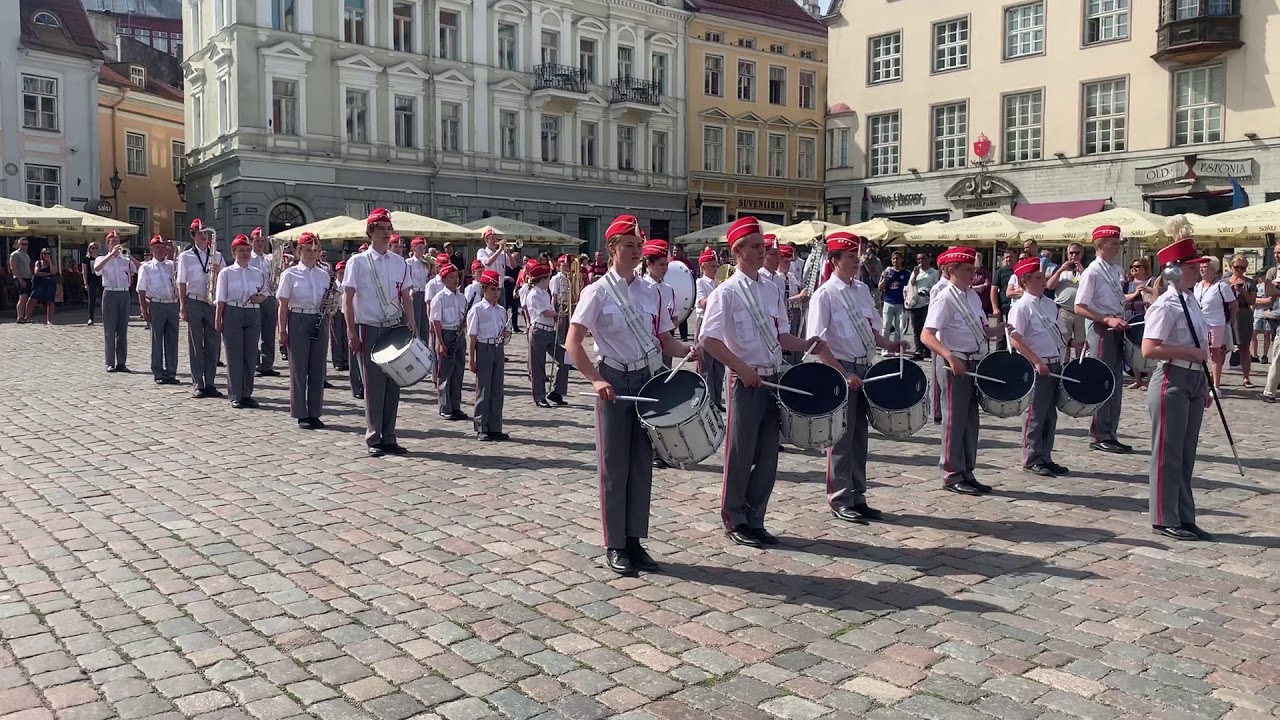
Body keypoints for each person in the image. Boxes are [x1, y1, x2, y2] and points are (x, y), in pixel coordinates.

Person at [565, 215, 697, 575]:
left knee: (641, 464)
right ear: (612, 249)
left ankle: (636, 539)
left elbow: (665, 340)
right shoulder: (596, 292)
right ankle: (615, 543)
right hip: (614, 382)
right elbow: (573, 345)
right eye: (629, 245)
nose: (637, 251)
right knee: (615, 467)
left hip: (648, 380)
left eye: (639, 245)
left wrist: (687, 349)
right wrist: (594, 380)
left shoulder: (650, 292)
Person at [701, 217, 825, 548]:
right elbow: (709, 341)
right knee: (740, 454)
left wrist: (808, 343)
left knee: (768, 455)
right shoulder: (725, 293)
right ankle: (735, 517)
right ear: (737, 250)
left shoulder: (772, 289)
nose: (762, 251)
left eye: (763, 245)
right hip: (745, 381)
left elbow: (780, 334)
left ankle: (756, 517)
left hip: (773, 378)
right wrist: (741, 368)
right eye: (755, 246)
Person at [807, 232, 905, 524]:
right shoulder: (824, 295)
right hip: (841, 369)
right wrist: (843, 372)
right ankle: (840, 498)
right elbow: (815, 343)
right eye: (851, 258)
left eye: (857, 256)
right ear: (834, 261)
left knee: (860, 436)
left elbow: (872, 328)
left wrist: (889, 345)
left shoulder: (861, 290)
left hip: (866, 368)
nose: (857, 262)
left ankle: (858, 495)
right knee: (841, 437)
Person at [1142, 227, 1214, 541]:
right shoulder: (1166, 305)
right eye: (1189, 266)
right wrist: (1189, 352)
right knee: (1167, 453)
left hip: (1194, 379)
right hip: (1172, 377)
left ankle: (1184, 515)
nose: (1196, 270)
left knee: (1186, 454)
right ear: (1173, 271)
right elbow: (1150, 348)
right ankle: (1163, 516)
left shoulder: (1191, 300)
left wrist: (1207, 381)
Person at [920, 246, 1006, 494]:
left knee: (971, 421)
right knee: (954, 421)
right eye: (967, 270)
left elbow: (981, 329)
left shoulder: (971, 296)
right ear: (951, 270)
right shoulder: (945, 297)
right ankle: (951, 472)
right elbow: (926, 335)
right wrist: (949, 356)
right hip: (954, 363)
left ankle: (967, 470)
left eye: (973, 269)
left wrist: (998, 331)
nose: (973, 274)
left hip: (974, 363)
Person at [342, 209, 417, 456]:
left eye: (389, 229)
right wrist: (352, 332)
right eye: (382, 229)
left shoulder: (399, 262)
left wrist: (412, 321)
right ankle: (374, 437)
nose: (386, 233)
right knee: (373, 386)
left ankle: (390, 435)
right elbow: (348, 298)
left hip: (394, 327)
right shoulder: (358, 261)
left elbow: (405, 295)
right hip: (370, 327)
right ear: (371, 231)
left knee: (393, 383)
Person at [1008, 257, 1070, 478]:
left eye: (1043, 277)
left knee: (1050, 415)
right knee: (1035, 414)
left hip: (1055, 362)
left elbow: (1062, 332)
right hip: (1037, 366)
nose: (1043, 281)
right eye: (1037, 278)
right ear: (1025, 281)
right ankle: (1032, 457)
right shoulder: (1022, 306)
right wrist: (1035, 361)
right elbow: (1015, 339)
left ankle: (1046, 456)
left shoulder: (1049, 303)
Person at [1073, 225, 1132, 454]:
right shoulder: (1093, 271)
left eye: (1118, 243)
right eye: (1113, 243)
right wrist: (1106, 319)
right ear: (1099, 245)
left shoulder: (1116, 269)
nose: (1117, 247)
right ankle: (1099, 433)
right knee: (1103, 380)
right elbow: (1080, 306)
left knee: (1116, 382)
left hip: (1117, 326)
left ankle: (1110, 431)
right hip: (1101, 329)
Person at [277, 232, 331, 429]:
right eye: (307, 250)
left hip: (318, 318)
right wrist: (282, 330)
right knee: (299, 368)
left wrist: (329, 305)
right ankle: (301, 412)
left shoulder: (324, 275)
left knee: (318, 368)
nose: (311, 253)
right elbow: (282, 304)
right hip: (298, 317)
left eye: (315, 250)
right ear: (299, 251)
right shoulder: (290, 274)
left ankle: (315, 411)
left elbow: (329, 303)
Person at [215, 234, 268, 409]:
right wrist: (218, 319)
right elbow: (221, 298)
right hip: (233, 311)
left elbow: (266, 291)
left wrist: (261, 298)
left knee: (250, 356)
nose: (244, 253)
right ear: (234, 252)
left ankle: (247, 393)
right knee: (235, 355)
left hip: (252, 313)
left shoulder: (257, 273)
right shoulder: (226, 272)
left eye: (247, 250)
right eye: (241, 250)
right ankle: (235, 393)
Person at [177, 220, 224, 397]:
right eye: (199, 233)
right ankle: (198, 382)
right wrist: (183, 306)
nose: (203, 236)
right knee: (196, 343)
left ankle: (211, 382)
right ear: (193, 235)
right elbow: (181, 282)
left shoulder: (217, 255)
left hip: (211, 302)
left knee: (213, 343)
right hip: (195, 300)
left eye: (205, 233)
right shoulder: (186, 256)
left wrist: (219, 270)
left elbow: (225, 279)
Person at [468, 269, 510, 441]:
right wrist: (471, 359)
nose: (496, 293)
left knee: (497, 389)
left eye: (497, 290)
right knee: (484, 388)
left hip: (497, 347)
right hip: (483, 347)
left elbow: (505, 331)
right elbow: (472, 336)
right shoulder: (477, 309)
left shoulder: (501, 310)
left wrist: (506, 334)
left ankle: (495, 426)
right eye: (492, 290)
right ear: (483, 290)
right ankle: (481, 426)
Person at [136, 235, 181, 385]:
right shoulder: (146, 267)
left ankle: (171, 372)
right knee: (157, 340)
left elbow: (180, 285)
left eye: (163, 247)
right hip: (156, 304)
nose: (161, 250)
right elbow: (141, 290)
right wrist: (144, 309)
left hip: (172, 304)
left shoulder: (173, 265)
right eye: (157, 247)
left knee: (172, 340)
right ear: (152, 250)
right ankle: (158, 372)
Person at [431, 262, 469, 421]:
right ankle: (445, 407)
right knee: (445, 373)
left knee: (458, 372)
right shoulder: (439, 297)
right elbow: (436, 322)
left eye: (456, 277)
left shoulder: (462, 297)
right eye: (451, 277)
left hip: (459, 335)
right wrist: (440, 343)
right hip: (446, 334)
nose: (455, 280)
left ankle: (456, 406)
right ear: (444, 280)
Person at [94, 232, 136, 368]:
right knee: (110, 330)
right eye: (112, 241)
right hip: (110, 293)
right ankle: (110, 362)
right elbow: (97, 269)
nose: (116, 243)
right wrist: (111, 255)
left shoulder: (126, 259)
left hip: (124, 294)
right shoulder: (101, 258)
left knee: (122, 330)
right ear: (107, 244)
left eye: (117, 241)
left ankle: (121, 362)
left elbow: (140, 268)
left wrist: (129, 256)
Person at [1195, 257, 1235, 391]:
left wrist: (1229, 320)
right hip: (1200, 324)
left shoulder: (1221, 285)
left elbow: (1233, 304)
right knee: (1200, 352)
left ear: (1213, 269)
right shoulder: (1197, 285)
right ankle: (1203, 382)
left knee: (1214, 353)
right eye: (1200, 267)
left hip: (1216, 323)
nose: (1201, 269)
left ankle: (1215, 385)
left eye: (1205, 267)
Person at [524, 262, 558, 408]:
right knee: (538, 366)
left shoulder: (545, 293)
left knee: (564, 360)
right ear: (541, 279)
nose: (549, 281)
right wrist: (560, 314)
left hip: (550, 330)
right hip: (539, 330)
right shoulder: (534, 295)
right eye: (547, 278)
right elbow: (545, 312)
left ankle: (557, 392)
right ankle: (539, 396)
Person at [695, 247, 724, 410]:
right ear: (703, 267)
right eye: (712, 266)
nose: (715, 269)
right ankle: (707, 400)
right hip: (704, 322)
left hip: (719, 324)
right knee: (705, 366)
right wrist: (720, 291)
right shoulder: (701, 282)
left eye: (716, 265)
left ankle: (717, 400)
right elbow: (702, 302)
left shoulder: (718, 282)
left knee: (719, 366)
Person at [1047, 243, 1087, 361]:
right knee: (1064, 341)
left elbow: (1092, 288)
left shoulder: (1086, 271)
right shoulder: (1060, 270)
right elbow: (1049, 286)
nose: (1073, 256)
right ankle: (1064, 368)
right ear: (1067, 254)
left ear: (1082, 254)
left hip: (1081, 311)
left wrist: (1082, 273)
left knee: (1081, 342)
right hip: (1064, 311)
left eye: (1077, 253)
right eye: (1071, 253)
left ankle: (1080, 367)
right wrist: (1060, 270)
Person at [249, 228, 282, 377]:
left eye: (262, 241)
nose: (260, 244)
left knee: (269, 333)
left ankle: (267, 365)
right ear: (252, 242)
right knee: (254, 333)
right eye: (257, 241)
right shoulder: (248, 258)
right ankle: (256, 363)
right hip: (254, 298)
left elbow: (275, 278)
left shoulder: (269, 259)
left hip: (269, 298)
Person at [1124, 257, 1157, 389]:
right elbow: (1122, 298)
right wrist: (1135, 293)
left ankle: (1149, 380)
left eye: (1138, 266)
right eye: (1132, 266)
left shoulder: (1152, 281)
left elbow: (1159, 294)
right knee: (1133, 348)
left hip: (1147, 317)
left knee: (1146, 347)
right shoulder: (1127, 284)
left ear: (1145, 268)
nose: (1134, 268)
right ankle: (1138, 379)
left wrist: (1148, 290)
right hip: (1130, 317)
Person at [546, 255, 573, 405]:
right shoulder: (556, 279)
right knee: (560, 338)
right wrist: (555, 312)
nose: (565, 267)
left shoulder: (569, 278)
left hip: (568, 306)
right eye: (562, 264)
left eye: (566, 265)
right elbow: (554, 296)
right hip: (560, 307)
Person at [905, 252, 939, 360]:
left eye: (923, 259)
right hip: (915, 303)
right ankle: (918, 350)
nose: (920, 261)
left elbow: (936, 287)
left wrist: (927, 293)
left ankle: (928, 349)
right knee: (916, 328)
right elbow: (911, 285)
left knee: (927, 328)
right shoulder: (916, 272)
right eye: (918, 259)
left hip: (927, 303)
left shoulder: (934, 273)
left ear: (929, 259)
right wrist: (914, 275)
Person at [406, 237, 431, 344]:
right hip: (414, 292)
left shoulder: (426, 262)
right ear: (413, 249)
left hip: (425, 292)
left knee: (425, 322)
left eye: (423, 248)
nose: (422, 250)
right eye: (419, 248)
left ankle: (424, 344)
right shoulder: (408, 262)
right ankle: (415, 343)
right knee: (416, 320)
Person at [476, 228, 509, 306]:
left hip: (501, 287)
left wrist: (508, 253)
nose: (495, 241)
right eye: (492, 239)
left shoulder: (501, 253)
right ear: (486, 241)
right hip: (489, 287)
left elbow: (513, 265)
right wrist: (500, 249)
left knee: (501, 310)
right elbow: (488, 263)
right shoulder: (482, 252)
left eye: (496, 239)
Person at [31, 247, 58, 325]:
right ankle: (27, 317)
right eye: (44, 253)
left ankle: (49, 320)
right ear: (41, 254)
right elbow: (37, 272)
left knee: (50, 301)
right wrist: (48, 274)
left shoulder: (53, 262)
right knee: (33, 298)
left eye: (48, 253)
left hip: (50, 283)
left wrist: (49, 261)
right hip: (40, 283)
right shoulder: (38, 263)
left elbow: (53, 272)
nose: (46, 255)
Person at [9, 237, 33, 323]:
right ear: (19, 244)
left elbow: (28, 267)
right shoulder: (15, 254)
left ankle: (25, 316)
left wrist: (31, 276)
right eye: (23, 244)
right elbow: (13, 268)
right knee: (22, 297)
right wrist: (20, 279)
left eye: (26, 244)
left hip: (27, 277)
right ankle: (20, 317)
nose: (25, 246)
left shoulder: (27, 256)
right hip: (20, 277)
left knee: (27, 297)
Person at [81, 241, 102, 326]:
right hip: (91, 280)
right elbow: (84, 271)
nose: (95, 249)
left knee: (103, 298)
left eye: (96, 248)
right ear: (89, 249)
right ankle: (91, 318)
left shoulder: (101, 257)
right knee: (92, 300)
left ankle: (105, 316)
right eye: (93, 248)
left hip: (100, 279)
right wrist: (85, 283)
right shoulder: (86, 259)